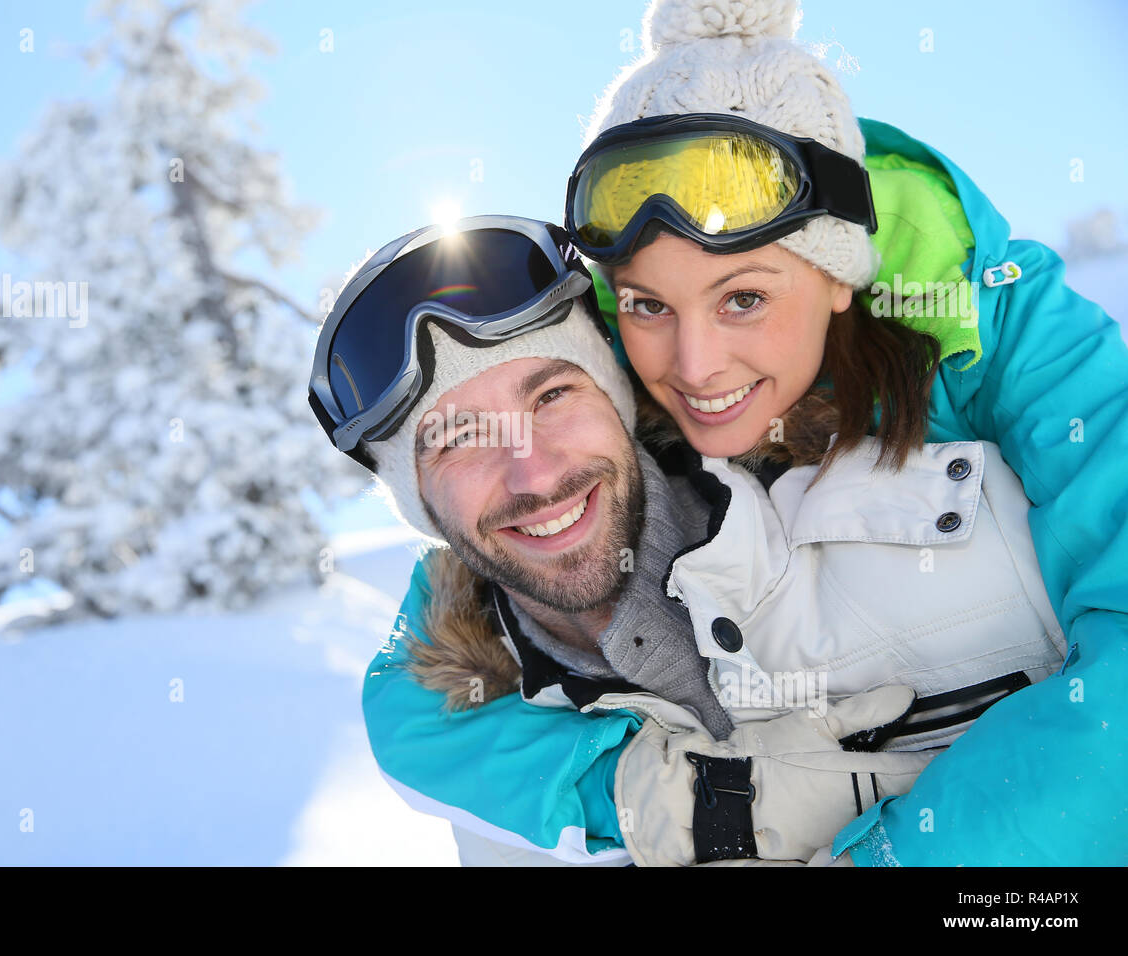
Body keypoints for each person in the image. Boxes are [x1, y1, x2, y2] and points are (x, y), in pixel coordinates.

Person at [352, 0, 1128, 866]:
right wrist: (654, 796)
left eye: (745, 299)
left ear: (841, 275)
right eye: (648, 304)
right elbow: (419, 678)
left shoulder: (1003, 338)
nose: (695, 365)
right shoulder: (605, 377)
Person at [309, 216, 1066, 866]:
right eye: (459, 439)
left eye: (553, 395)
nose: (532, 471)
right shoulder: (498, 796)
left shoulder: (948, 501)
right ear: (420, 508)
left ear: (617, 396)